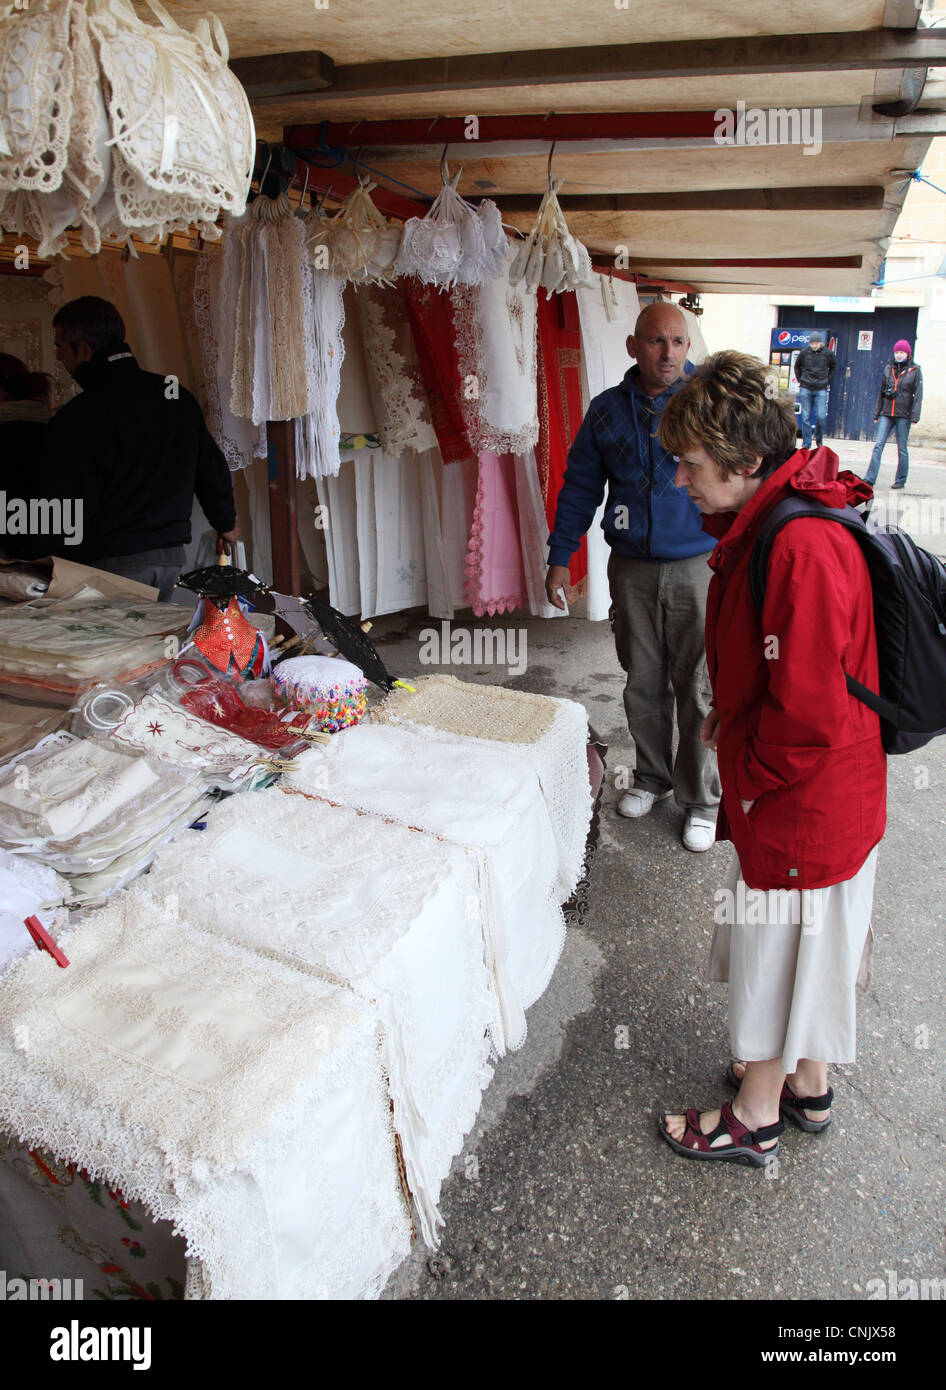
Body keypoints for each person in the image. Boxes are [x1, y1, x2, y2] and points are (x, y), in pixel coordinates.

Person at [655, 351, 886, 1166]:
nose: (680, 481)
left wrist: (744, 771)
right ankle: (808, 1082)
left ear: (747, 462)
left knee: (778, 944)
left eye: (691, 465)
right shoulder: (785, 516)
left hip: (803, 800)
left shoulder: (797, 546)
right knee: (815, 941)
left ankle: (754, 1115)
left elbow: (810, 713)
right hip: (828, 797)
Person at [544, 302, 721, 852]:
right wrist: (560, 554)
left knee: (697, 687)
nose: (668, 354)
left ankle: (701, 800)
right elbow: (579, 487)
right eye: (655, 342)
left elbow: (744, 474)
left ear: (688, 347)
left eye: (678, 342)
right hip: (633, 569)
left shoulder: (708, 405)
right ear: (632, 346)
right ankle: (652, 779)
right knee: (643, 679)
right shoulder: (605, 412)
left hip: (701, 566)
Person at [37, 296, 238, 601]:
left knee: (116, 648)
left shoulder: (80, 414)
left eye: (61, 349)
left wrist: (42, 554)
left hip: (111, 563)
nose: (61, 361)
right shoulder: (174, 396)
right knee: (154, 645)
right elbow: (210, 467)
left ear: (85, 350)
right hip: (169, 559)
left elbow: (66, 496)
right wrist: (226, 523)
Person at [864, 339, 922, 491]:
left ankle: (901, 479)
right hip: (887, 412)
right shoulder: (888, 368)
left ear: (907, 354)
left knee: (902, 448)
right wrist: (877, 413)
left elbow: (918, 394)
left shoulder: (915, 370)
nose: (899, 355)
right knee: (878, 446)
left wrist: (915, 415)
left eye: (902, 352)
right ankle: (870, 478)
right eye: (897, 352)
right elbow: (881, 392)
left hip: (904, 414)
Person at [793, 330, 837, 451]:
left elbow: (833, 367)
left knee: (820, 416)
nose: (814, 345)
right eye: (812, 343)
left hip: (821, 389)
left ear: (820, 343)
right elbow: (797, 366)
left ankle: (819, 439)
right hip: (806, 388)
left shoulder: (828, 354)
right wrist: (800, 380)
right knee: (806, 417)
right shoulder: (804, 353)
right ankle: (806, 443)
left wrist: (827, 381)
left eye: (816, 343)